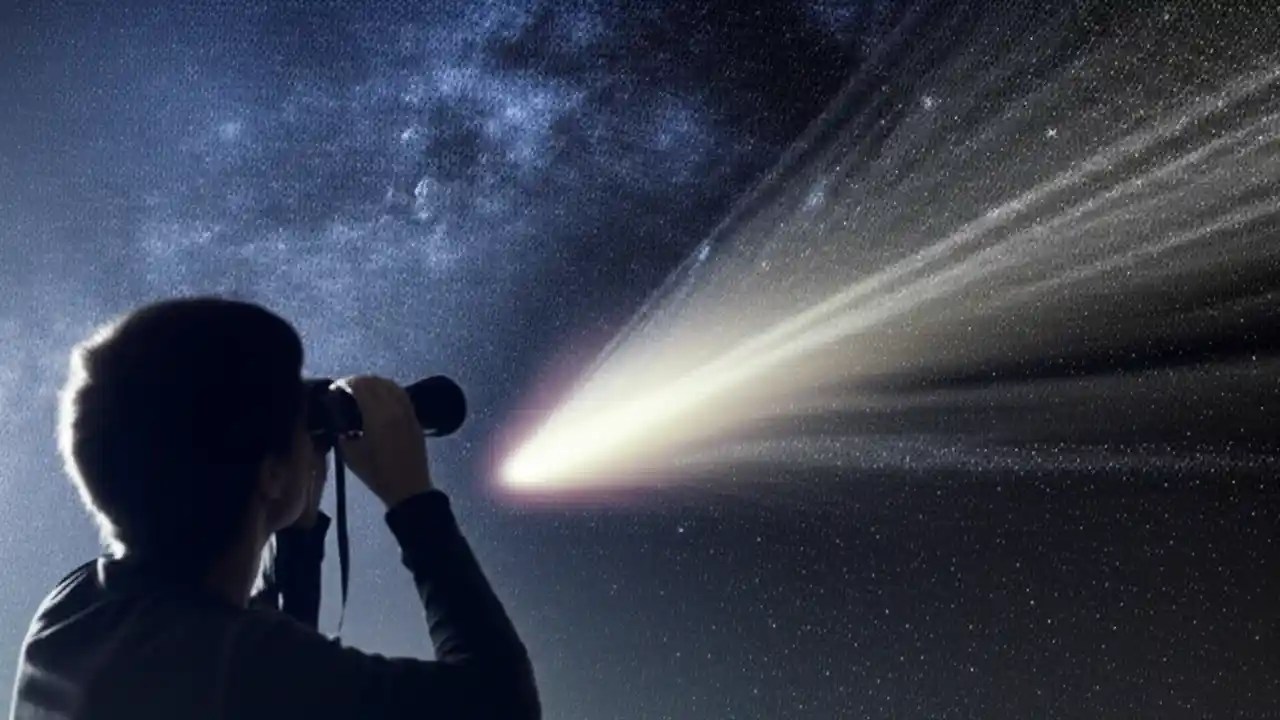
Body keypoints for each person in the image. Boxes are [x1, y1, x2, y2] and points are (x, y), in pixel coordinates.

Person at [9, 297, 540, 719]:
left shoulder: (73, 607)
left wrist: (296, 531)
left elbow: (268, 667)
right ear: (269, 473)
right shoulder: (240, 665)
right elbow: (502, 703)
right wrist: (413, 501)